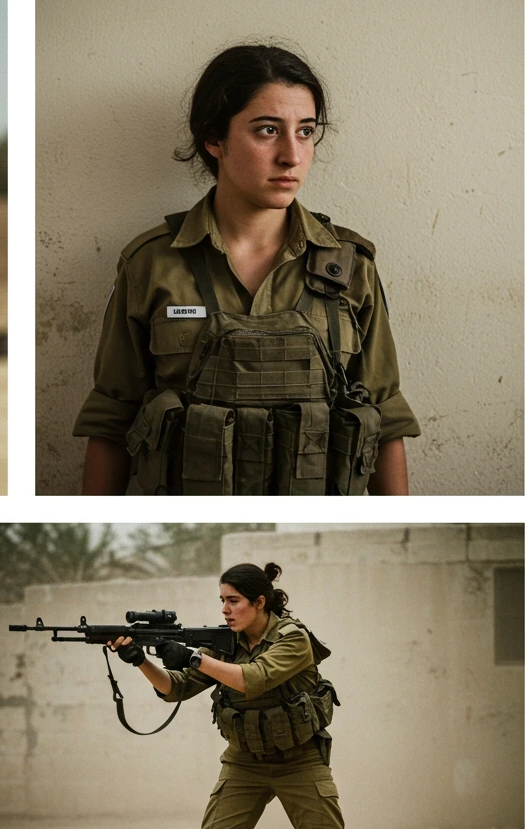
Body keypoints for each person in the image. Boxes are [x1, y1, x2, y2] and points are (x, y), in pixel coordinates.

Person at [74, 43, 420, 495]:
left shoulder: (350, 266)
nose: (291, 156)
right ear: (214, 139)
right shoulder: (153, 264)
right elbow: (112, 420)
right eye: (267, 130)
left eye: (306, 131)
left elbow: (384, 417)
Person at [108, 562, 382, 829]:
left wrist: (195, 656)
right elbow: (175, 688)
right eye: (221, 600)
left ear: (260, 602)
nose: (225, 610)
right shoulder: (224, 644)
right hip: (244, 762)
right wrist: (140, 661)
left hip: (299, 761)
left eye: (233, 601)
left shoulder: (293, 639)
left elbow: (253, 679)